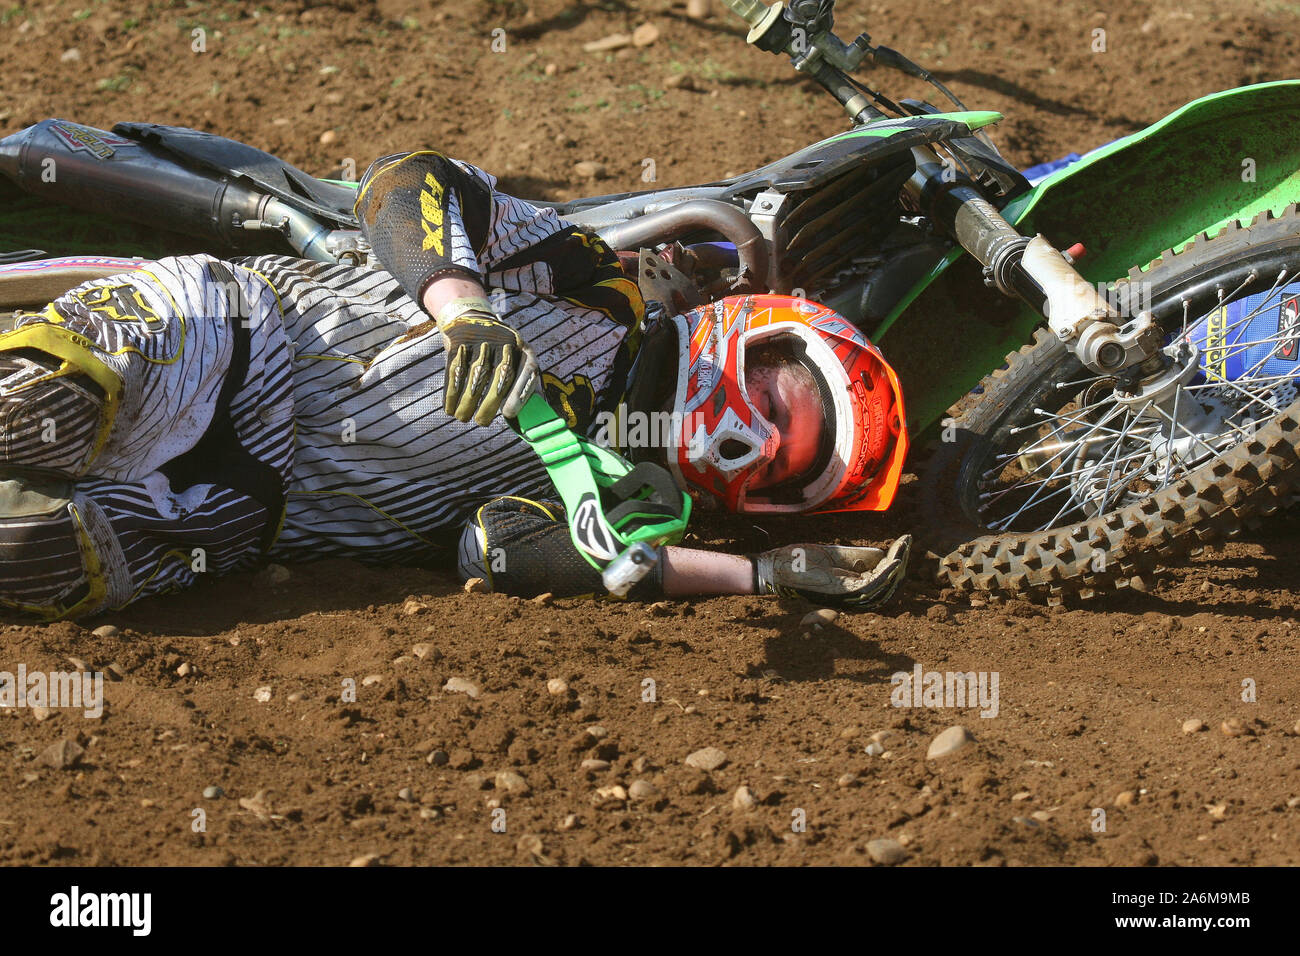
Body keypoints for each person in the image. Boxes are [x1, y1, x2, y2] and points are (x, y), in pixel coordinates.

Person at [0, 148, 910, 620]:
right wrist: (465, 308)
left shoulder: (627, 504)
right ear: (759, 340)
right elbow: (408, 182)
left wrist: (758, 576)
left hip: (237, 512)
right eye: (782, 406)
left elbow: (494, 550)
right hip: (236, 336)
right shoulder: (598, 284)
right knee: (40, 409)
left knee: (28, 549)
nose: (751, 439)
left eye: (781, 464)